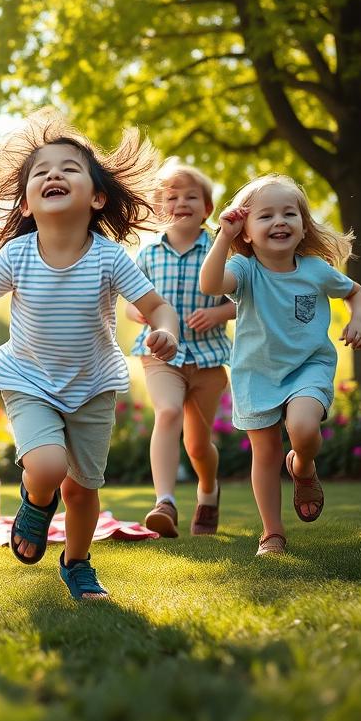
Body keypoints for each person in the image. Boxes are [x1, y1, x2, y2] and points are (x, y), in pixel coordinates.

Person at [0, 109, 179, 601]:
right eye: (41, 172)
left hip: (93, 384)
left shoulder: (109, 258)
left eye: (68, 168)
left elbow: (155, 306)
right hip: (28, 378)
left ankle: (78, 563)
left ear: (97, 196)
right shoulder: (18, 255)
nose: (53, 175)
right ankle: (35, 502)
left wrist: (164, 330)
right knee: (47, 467)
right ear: (25, 204)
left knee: (83, 488)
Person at [199, 174, 361, 557]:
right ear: (247, 232)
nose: (279, 221)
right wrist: (223, 237)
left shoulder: (314, 270)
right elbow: (209, 286)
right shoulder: (244, 270)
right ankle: (271, 533)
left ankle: (303, 465)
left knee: (304, 429)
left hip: (308, 366)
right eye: (266, 216)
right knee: (265, 454)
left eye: (289, 213)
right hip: (256, 373)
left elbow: (357, 293)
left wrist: (358, 318)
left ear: (303, 225)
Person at [126, 160, 235, 538]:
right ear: (160, 208)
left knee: (198, 442)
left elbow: (247, 300)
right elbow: (129, 301)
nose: (181, 202)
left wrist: (219, 311)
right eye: (172, 197)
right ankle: (165, 502)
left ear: (207, 209)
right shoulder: (148, 254)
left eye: (192, 196)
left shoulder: (222, 250)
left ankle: (208, 490)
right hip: (161, 355)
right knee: (168, 412)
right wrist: (142, 314)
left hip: (208, 357)